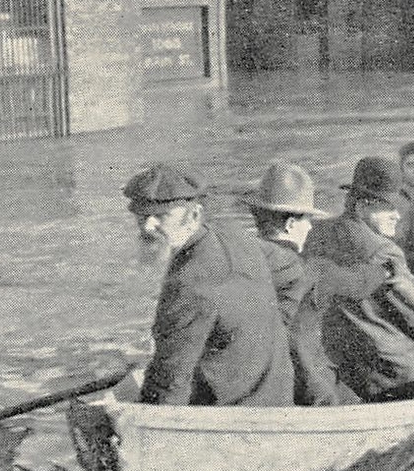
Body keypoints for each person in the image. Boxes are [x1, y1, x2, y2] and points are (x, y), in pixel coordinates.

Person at [124, 162, 294, 407]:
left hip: (232, 416)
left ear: (194, 215)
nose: (147, 226)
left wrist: (143, 418)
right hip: (275, 393)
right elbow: (292, 272)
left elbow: (169, 381)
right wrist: (272, 330)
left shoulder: (189, 284)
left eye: (161, 216)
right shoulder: (233, 235)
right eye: (141, 216)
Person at [303, 156, 414, 401]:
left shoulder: (316, 233)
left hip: (345, 369)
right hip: (396, 372)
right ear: (362, 207)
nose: (398, 216)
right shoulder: (384, 251)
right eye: (388, 208)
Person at [244, 162, 360, 406]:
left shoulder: (242, 259)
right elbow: (299, 346)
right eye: (306, 219)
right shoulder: (306, 270)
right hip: (305, 384)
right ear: (290, 225)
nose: (309, 226)